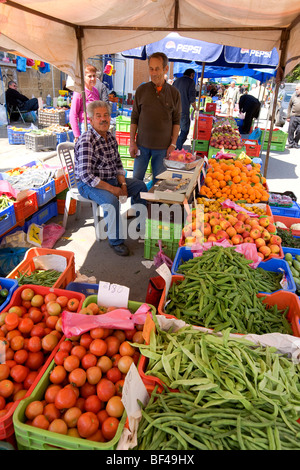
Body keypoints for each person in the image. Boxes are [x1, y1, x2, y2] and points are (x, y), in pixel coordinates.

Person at [74, 100, 147, 257]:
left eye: (106, 115)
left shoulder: (111, 138)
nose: (103, 119)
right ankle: (116, 241)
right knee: (111, 201)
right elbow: (86, 175)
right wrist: (113, 189)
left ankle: (141, 225)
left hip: (111, 180)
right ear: (91, 120)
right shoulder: (87, 140)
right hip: (89, 185)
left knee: (140, 186)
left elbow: (118, 165)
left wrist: (123, 186)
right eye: (98, 116)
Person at [129, 52, 181, 182]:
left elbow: (176, 121)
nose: (153, 73)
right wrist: (132, 142)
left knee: (159, 182)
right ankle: (137, 203)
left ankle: (153, 204)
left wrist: (173, 144)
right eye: (151, 69)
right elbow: (134, 117)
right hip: (142, 146)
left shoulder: (174, 93)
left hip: (163, 148)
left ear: (166, 69)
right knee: (136, 181)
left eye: (157, 69)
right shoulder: (142, 90)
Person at [69, 64, 100, 141]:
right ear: (84, 78)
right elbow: (73, 114)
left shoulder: (95, 91)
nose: (92, 78)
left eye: (94, 76)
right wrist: (77, 135)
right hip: (85, 127)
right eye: (89, 76)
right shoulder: (79, 92)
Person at [173, 68, 197, 150]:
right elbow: (192, 98)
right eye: (193, 75)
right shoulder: (191, 82)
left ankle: (172, 147)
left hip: (173, 110)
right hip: (183, 110)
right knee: (184, 130)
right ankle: (177, 148)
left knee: (175, 130)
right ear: (192, 74)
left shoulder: (176, 81)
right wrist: (195, 108)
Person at [286, 84, 300, 149]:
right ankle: (291, 143)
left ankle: (296, 142)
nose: (296, 90)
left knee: (299, 131)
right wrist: (288, 116)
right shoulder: (294, 96)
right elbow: (289, 106)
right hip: (294, 115)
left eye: (297, 89)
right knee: (291, 130)